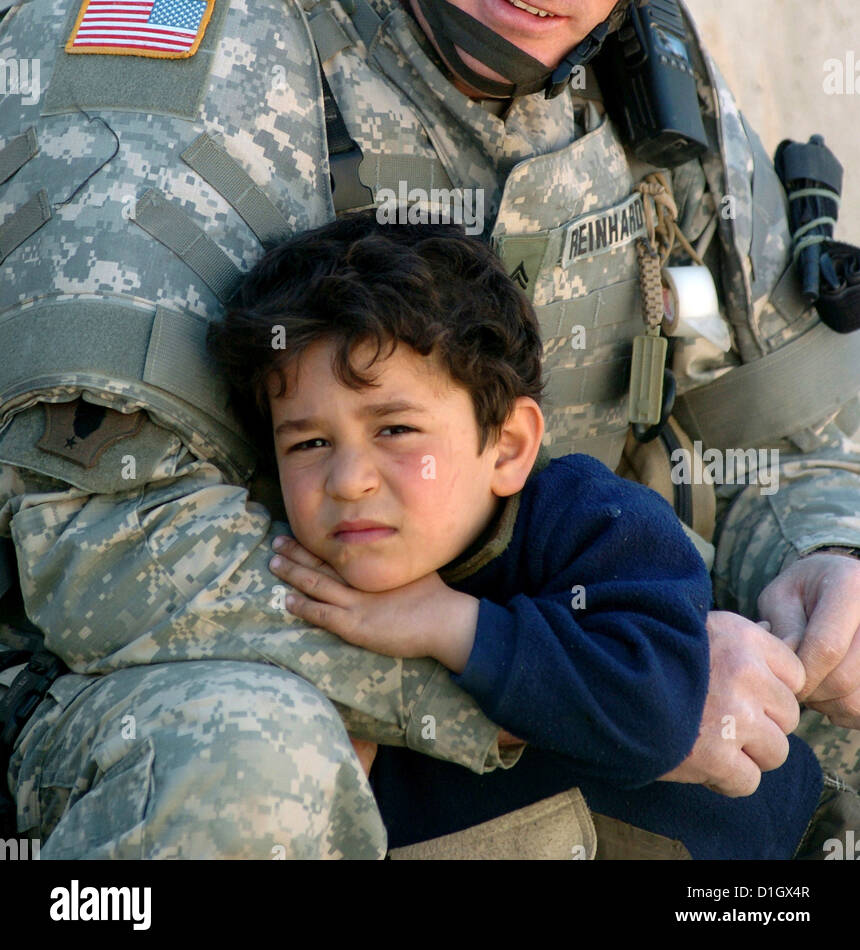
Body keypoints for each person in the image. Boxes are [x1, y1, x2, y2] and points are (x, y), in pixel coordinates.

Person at [1, 0, 859, 859]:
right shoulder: (182, 46)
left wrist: (821, 563)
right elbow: (112, 553)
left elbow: (780, 434)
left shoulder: (642, 82)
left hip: (546, 663)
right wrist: (557, 696)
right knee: (251, 766)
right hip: (183, 688)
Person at [209, 210, 830, 860]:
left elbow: (660, 717)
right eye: (309, 442)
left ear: (508, 447)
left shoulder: (591, 524)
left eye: (394, 430)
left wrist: (451, 625)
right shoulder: (293, 577)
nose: (347, 480)